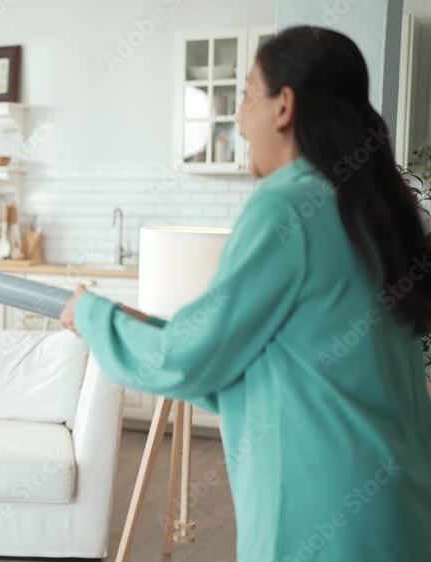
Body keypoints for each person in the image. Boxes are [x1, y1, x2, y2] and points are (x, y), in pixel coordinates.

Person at [61, 26, 431, 562]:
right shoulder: (373, 211)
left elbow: (192, 359)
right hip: (399, 511)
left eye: (247, 96)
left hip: (322, 516)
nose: (237, 119)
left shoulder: (288, 208)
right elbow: (267, 364)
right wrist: (143, 326)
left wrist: (93, 317)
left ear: (284, 107)